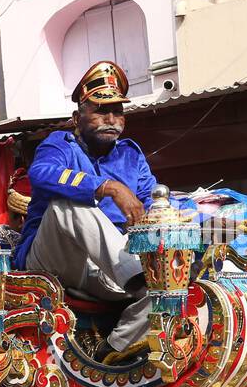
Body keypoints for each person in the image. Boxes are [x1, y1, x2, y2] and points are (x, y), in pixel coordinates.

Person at [16, 60, 155, 360]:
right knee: (69, 203)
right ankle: (142, 278)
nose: (111, 119)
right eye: (101, 111)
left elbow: (151, 202)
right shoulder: (58, 144)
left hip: (111, 268)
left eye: (118, 111)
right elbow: (40, 173)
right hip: (54, 259)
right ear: (77, 117)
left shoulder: (131, 155)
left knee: (177, 266)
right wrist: (107, 187)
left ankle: (115, 346)